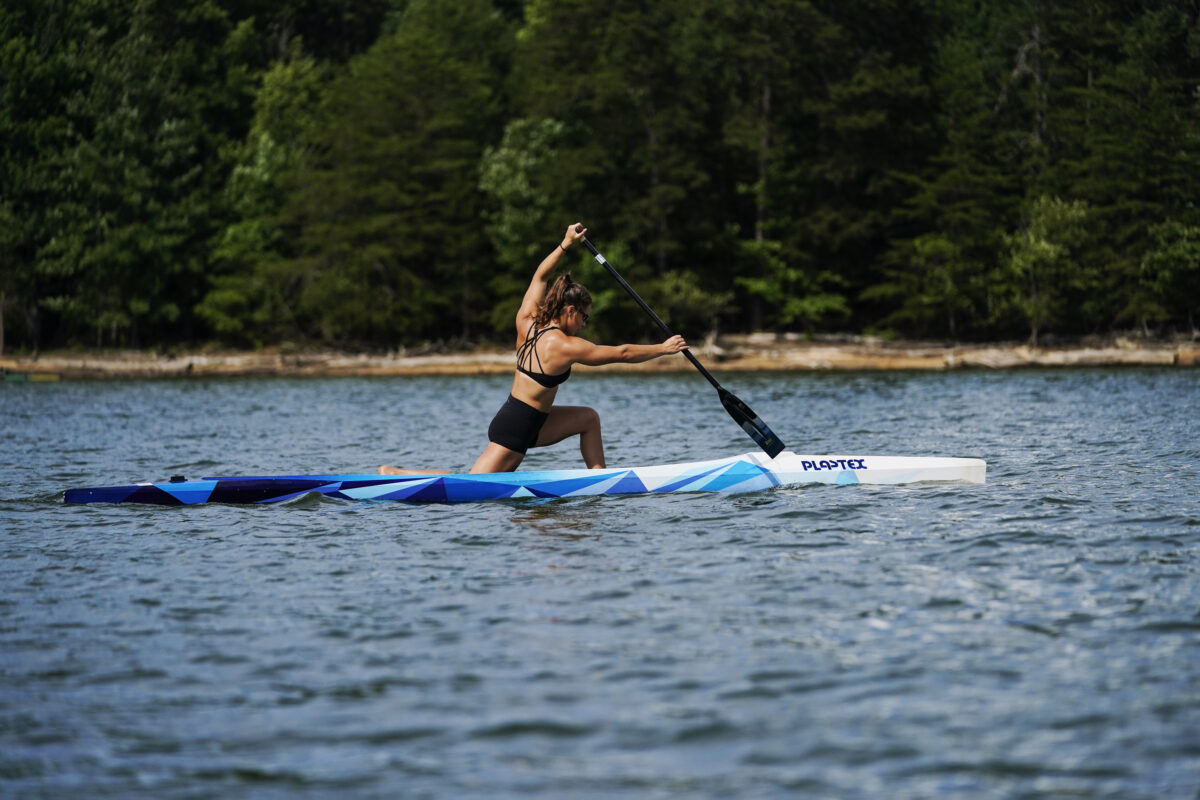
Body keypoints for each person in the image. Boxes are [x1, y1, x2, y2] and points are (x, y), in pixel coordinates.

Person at [379, 223, 688, 475]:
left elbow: (540, 275)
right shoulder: (565, 346)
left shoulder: (526, 321)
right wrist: (662, 349)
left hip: (535, 420)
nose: (585, 324)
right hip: (516, 426)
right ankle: (395, 474)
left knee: (588, 419)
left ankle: (599, 480)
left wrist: (565, 244)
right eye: (585, 317)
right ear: (570, 310)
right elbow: (621, 354)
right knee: (471, 486)